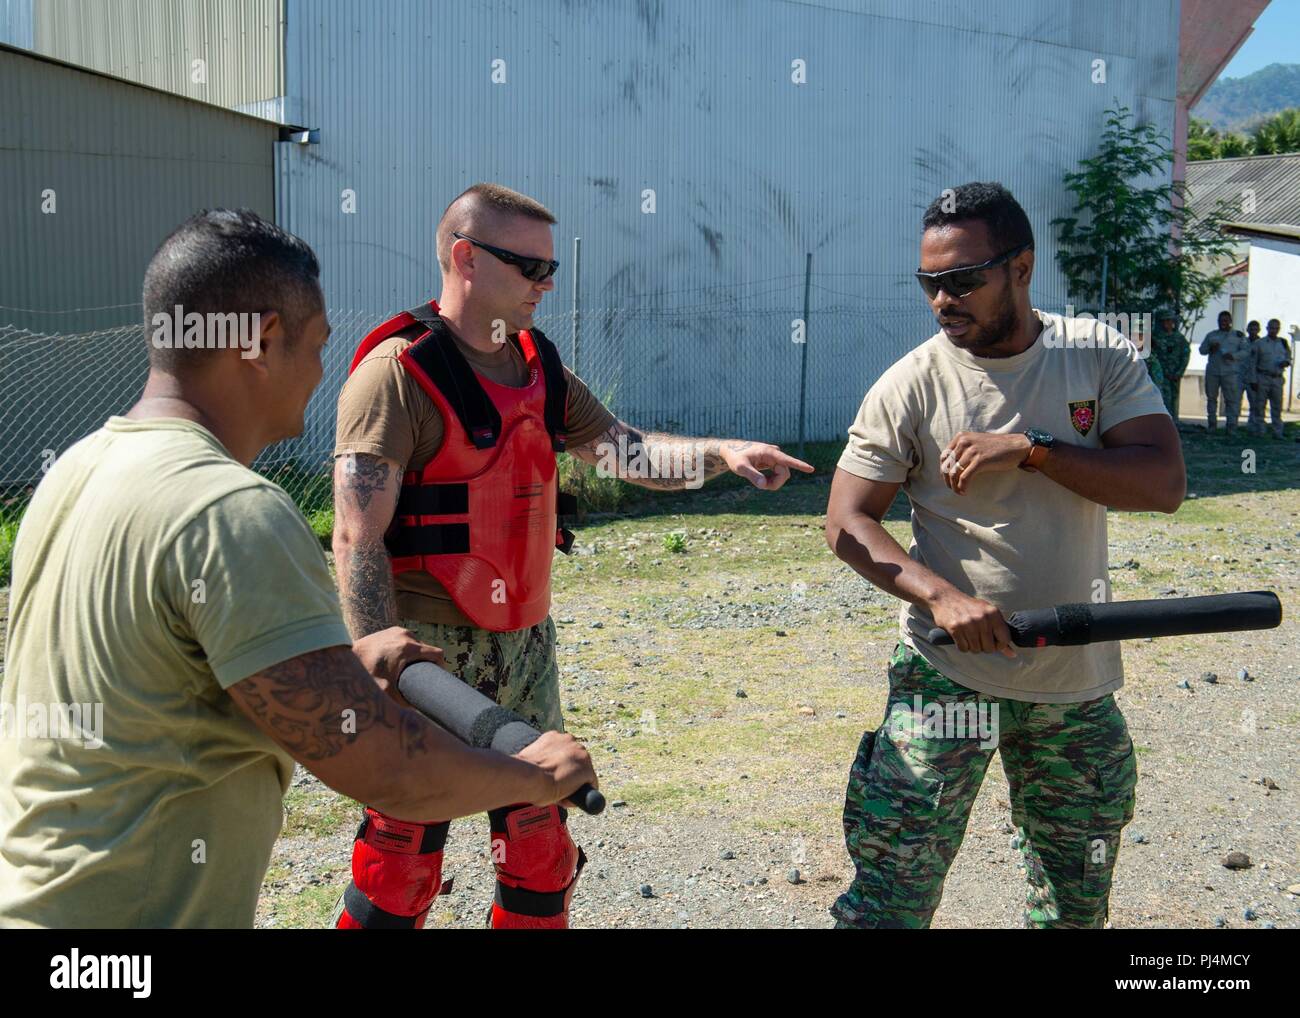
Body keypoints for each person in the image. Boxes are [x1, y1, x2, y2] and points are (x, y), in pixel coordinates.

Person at [0, 210, 596, 928]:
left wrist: (354, 656)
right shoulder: (229, 510)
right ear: (259, 343)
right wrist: (532, 773)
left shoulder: (75, 471)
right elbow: (378, 763)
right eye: (315, 347)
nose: (321, 373)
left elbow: (181, 669)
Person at [330, 182, 813, 928]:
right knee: (401, 859)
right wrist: (382, 664)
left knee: (538, 850)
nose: (547, 286)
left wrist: (724, 453)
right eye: (530, 267)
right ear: (464, 257)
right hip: (430, 663)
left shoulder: (536, 367)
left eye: (551, 269)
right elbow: (357, 535)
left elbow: (625, 452)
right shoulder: (396, 376)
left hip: (526, 647)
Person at [825, 182, 1184, 928]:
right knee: (892, 893)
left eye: (962, 280)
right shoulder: (911, 384)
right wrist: (941, 599)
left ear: (1020, 268)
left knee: (1075, 904)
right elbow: (848, 522)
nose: (941, 301)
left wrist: (1034, 451)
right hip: (947, 676)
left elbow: (1161, 482)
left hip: (1072, 680)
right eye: (930, 283)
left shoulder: (1097, 357)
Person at [1198, 311, 1247, 434]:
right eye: (1221, 321)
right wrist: (1210, 348)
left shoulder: (1238, 336)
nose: (1223, 323)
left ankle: (1231, 426)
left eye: (1225, 321)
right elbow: (1202, 350)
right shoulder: (1211, 335)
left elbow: (1246, 351)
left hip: (1230, 372)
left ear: (1230, 321)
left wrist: (1234, 356)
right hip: (1213, 371)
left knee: (1231, 400)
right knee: (1211, 398)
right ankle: (1212, 425)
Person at [1251, 319, 1292, 439]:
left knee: (1277, 406)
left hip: (1277, 378)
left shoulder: (1283, 343)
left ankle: (1277, 432)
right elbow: (1253, 363)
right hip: (1263, 376)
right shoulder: (1260, 343)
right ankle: (1260, 431)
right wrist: (1253, 380)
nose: (1274, 330)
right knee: (1260, 406)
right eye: (1272, 328)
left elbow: (1289, 357)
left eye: (1276, 328)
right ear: (1267, 328)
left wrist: (1286, 362)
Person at [1151, 311, 1190, 420]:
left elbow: (1185, 356)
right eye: (1164, 321)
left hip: (1174, 375)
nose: (1167, 324)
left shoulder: (1180, 338)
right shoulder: (1155, 338)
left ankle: (1173, 421)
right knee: (1160, 398)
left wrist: (1179, 372)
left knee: (1174, 399)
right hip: (1159, 375)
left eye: (1169, 321)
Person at [1242, 320, 1263, 434]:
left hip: (1254, 378)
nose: (1253, 331)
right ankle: (1233, 427)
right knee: (1234, 403)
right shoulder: (1242, 341)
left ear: (1259, 330)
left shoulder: (1262, 343)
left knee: (1255, 404)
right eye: (1251, 329)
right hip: (1240, 376)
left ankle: (1253, 427)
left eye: (1255, 329)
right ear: (1247, 330)